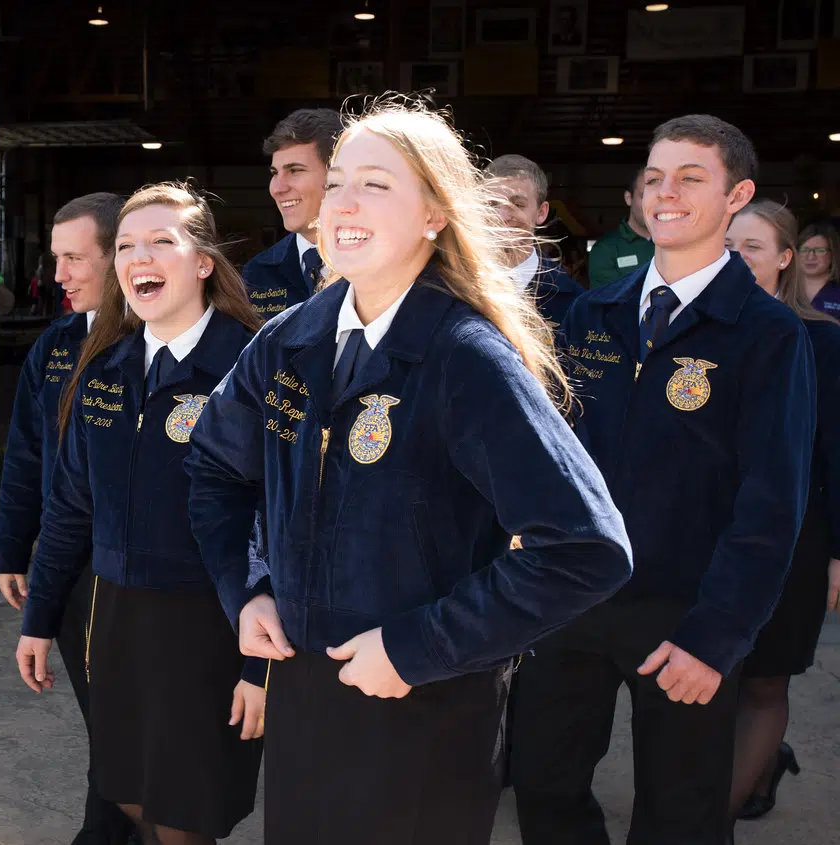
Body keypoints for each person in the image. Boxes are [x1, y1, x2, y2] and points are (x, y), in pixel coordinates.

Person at [185, 100, 633, 845]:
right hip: (304, 694)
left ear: (435, 214)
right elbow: (213, 466)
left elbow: (586, 547)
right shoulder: (289, 339)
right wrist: (247, 587)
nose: (344, 203)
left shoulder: (465, 358)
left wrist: (417, 647)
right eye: (337, 184)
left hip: (424, 708)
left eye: (377, 185)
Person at [512, 115, 817, 845]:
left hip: (687, 610)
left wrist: (717, 636)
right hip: (574, 599)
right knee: (543, 783)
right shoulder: (593, 313)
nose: (664, 193)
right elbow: (556, 453)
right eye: (654, 178)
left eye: (690, 177)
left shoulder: (768, 334)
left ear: (737, 194)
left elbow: (771, 503)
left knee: (681, 809)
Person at [16, 183, 266, 845]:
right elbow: (69, 507)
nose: (139, 257)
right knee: (127, 793)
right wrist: (39, 620)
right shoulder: (106, 369)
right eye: (126, 245)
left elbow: (280, 521)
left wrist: (260, 664)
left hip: (208, 623)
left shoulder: (249, 367)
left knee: (184, 814)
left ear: (204, 261)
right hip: (117, 616)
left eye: (161, 241)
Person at [0, 192, 134, 845]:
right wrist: (10, 550)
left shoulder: (161, 344)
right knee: (108, 722)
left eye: (75, 258)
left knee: (134, 728)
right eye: (57, 259)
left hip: (150, 573)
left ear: (118, 256)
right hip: (75, 572)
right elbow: (25, 456)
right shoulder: (54, 348)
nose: (60, 275)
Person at [724, 200, 840, 822]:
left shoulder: (820, 340)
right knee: (716, 676)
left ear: (785, 259)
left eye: (754, 248)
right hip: (714, 535)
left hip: (796, 535)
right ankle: (758, 765)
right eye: (729, 245)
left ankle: (709, 821)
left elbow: (836, 453)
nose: (738, 260)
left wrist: (839, 554)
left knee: (765, 679)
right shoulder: (697, 333)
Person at [242, 108, 344, 318]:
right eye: (274, 173)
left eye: (295, 170)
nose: (277, 188)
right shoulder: (258, 272)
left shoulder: (380, 264)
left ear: (337, 175)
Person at [484, 154, 583, 330]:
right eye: (492, 204)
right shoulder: (450, 286)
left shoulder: (575, 303)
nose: (503, 216)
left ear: (541, 212)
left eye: (518, 204)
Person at [588, 168, 655, 289]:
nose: (651, 203)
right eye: (644, 195)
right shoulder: (606, 250)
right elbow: (608, 301)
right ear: (628, 198)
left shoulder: (678, 243)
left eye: (657, 196)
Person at [798, 220, 840, 317]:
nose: (810, 257)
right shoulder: (782, 288)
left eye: (819, 250)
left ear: (832, 254)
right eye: (804, 250)